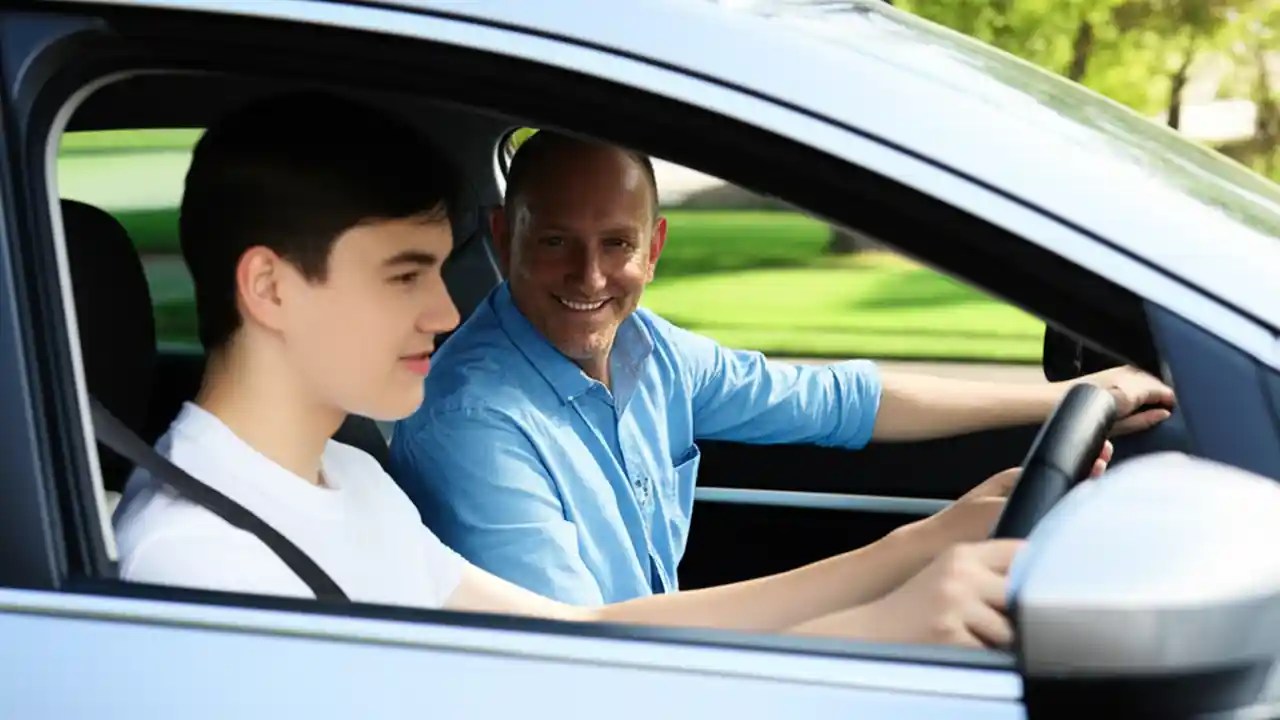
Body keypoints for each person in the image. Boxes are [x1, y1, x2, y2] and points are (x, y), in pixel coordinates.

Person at [111, 90, 1068, 650]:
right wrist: (888, 618)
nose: (445, 314)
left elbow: (581, 638)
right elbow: (587, 687)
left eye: (438, 271)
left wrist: (921, 549)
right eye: (405, 275)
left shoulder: (347, 481)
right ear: (272, 289)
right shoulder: (194, 569)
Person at [388, 131, 1174, 605]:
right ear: (504, 239)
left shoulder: (649, 351)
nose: (589, 277)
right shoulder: (472, 421)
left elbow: (839, 400)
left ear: (654, 248)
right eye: (555, 241)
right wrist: (922, 547)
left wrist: (1067, 397)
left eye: (616, 244)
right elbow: (580, 658)